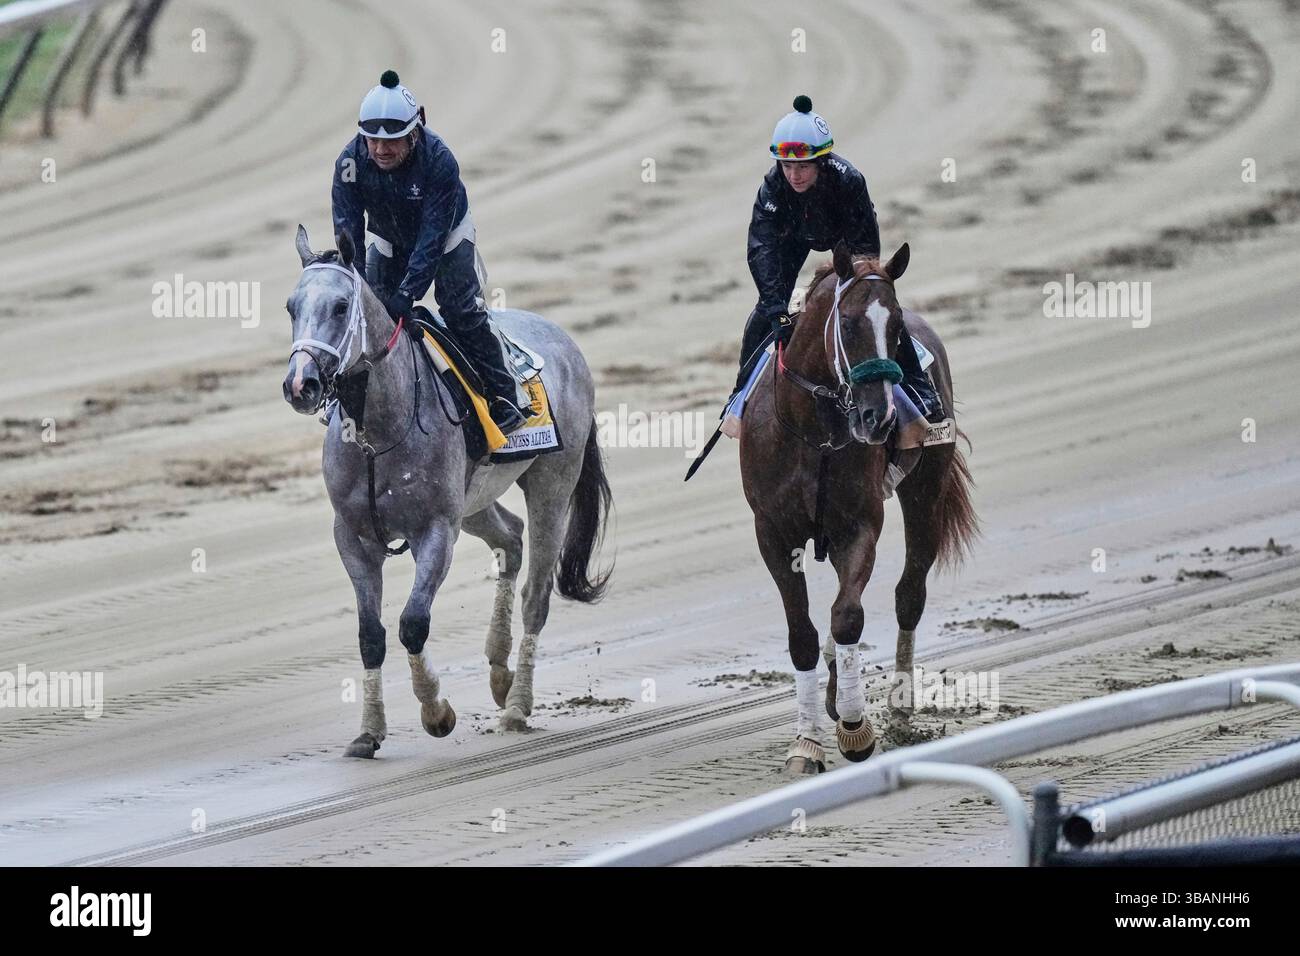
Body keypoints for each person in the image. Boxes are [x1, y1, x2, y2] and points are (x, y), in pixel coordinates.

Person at [332, 70, 530, 434]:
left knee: (460, 310)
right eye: (372, 139)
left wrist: (407, 294)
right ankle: (345, 397)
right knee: (368, 316)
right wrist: (359, 284)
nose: (380, 149)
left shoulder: (440, 161)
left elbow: (431, 238)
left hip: (447, 236)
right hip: (389, 238)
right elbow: (349, 233)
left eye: (391, 140)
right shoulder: (349, 162)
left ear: (415, 130)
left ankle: (504, 395)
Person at [735, 95, 942, 428]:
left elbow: (866, 248)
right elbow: (763, 250)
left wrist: (864, 281)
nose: (794, 175)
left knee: (874, 305)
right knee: (759, 317)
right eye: (787, 166)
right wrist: (775, 310)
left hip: (846, 237)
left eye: (803, 166)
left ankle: (919, 388)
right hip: (794, 236)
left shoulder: (848, 180)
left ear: (822, 161)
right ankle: (739, 398)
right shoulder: (772, 188)